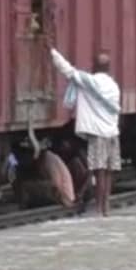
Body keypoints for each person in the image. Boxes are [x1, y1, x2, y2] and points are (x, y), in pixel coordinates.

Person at [49, 46, 121, 216]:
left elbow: (67, 70)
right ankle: (107, 206)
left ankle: (98, 208)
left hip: (98, 135)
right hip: (112, 134)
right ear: (108, 68)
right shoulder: (114, 86)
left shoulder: (91, 82)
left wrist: (52, 52)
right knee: (108, 172)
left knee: (99, 171)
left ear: (94, 66)